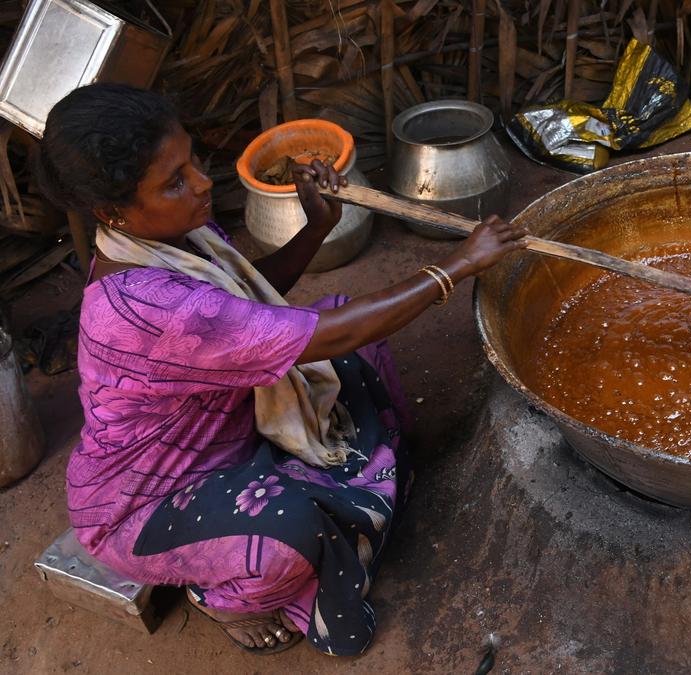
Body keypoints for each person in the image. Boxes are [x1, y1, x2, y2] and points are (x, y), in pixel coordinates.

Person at [36, 84, 527, 656]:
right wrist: (456, 265)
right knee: (288, 536)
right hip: (146, 500)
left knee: (347, 347)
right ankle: (223, 599)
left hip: (232, 436)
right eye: (174, 180)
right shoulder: (146, 307)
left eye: (191, 160)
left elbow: (250, 306)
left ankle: (335, 495)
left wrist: (315, 226)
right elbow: (306, 333)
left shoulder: (163, 238)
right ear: (111, 210)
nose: (200, 182)